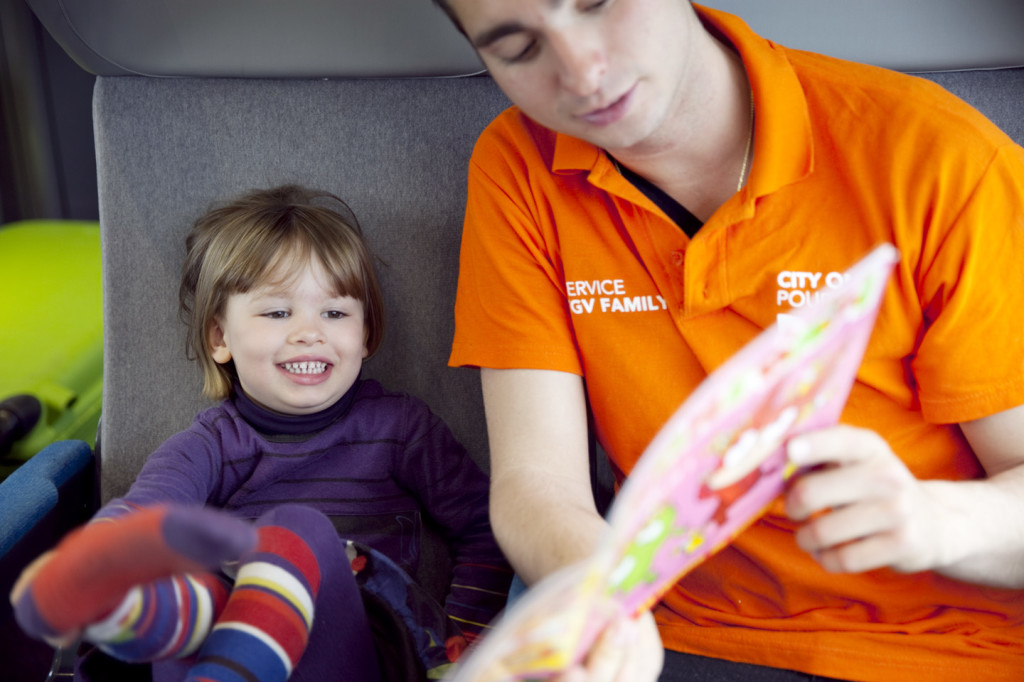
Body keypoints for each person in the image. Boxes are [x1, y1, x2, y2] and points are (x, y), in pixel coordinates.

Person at [436, 1, 1024, 681]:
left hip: (944, 647)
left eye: (599, 4)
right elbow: (536, 482)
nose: (583, 72)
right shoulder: (519, 164)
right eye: (517, 48)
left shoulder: (937, 153)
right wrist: (602, 601)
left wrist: (935, 519)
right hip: (675, 637)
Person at [11, 185, 512, 682]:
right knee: (185, 566)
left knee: (295, 534)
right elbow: (150, 510)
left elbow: (488, 526)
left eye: (335, 313)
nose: (308, 332)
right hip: (221, 627)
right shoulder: (212, 444)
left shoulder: (402, 429)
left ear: (366, 335)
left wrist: (466, 637)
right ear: (220, 338)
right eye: (277, 312)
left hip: (361, 648)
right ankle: (152, 617)